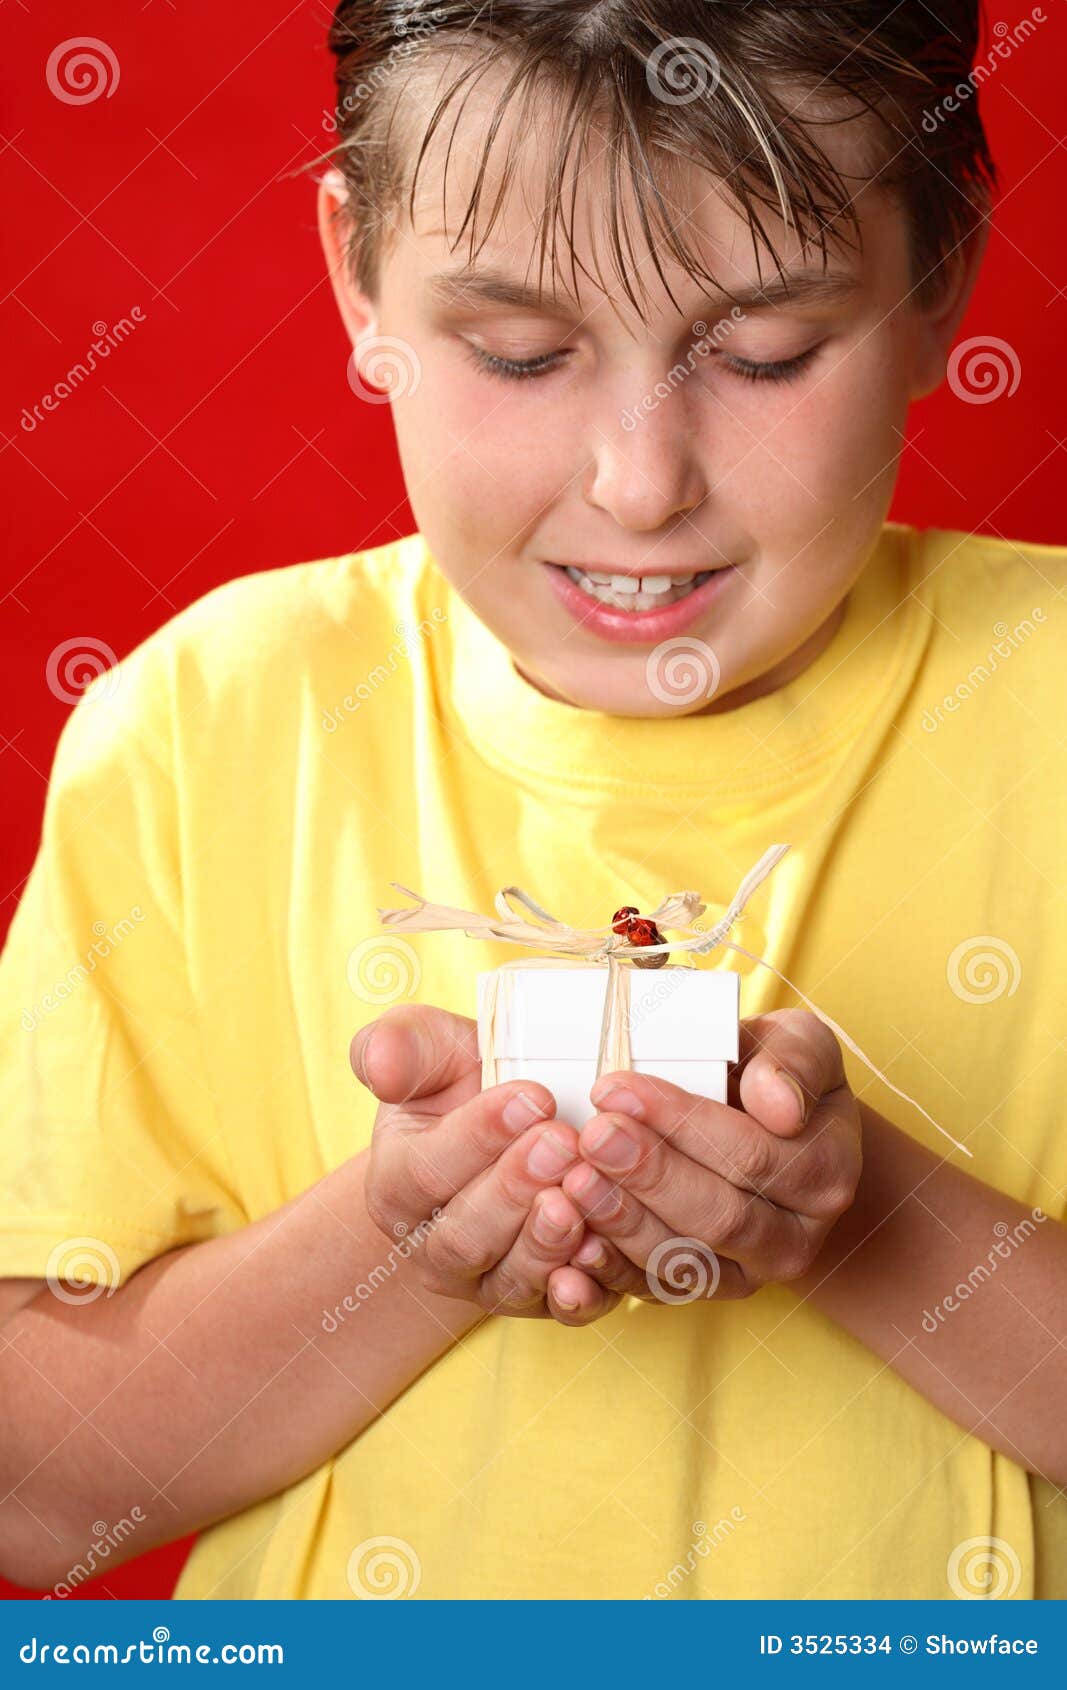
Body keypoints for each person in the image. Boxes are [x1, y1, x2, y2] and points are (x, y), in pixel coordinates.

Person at [1, 0, 1064, 1601]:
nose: (641, 482)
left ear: (942, 278)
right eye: (520, 352)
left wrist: (857, 1225)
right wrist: (400, 1247)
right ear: (359, 273)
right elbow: (32, 1501)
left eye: (765, 352)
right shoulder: (205, 725)